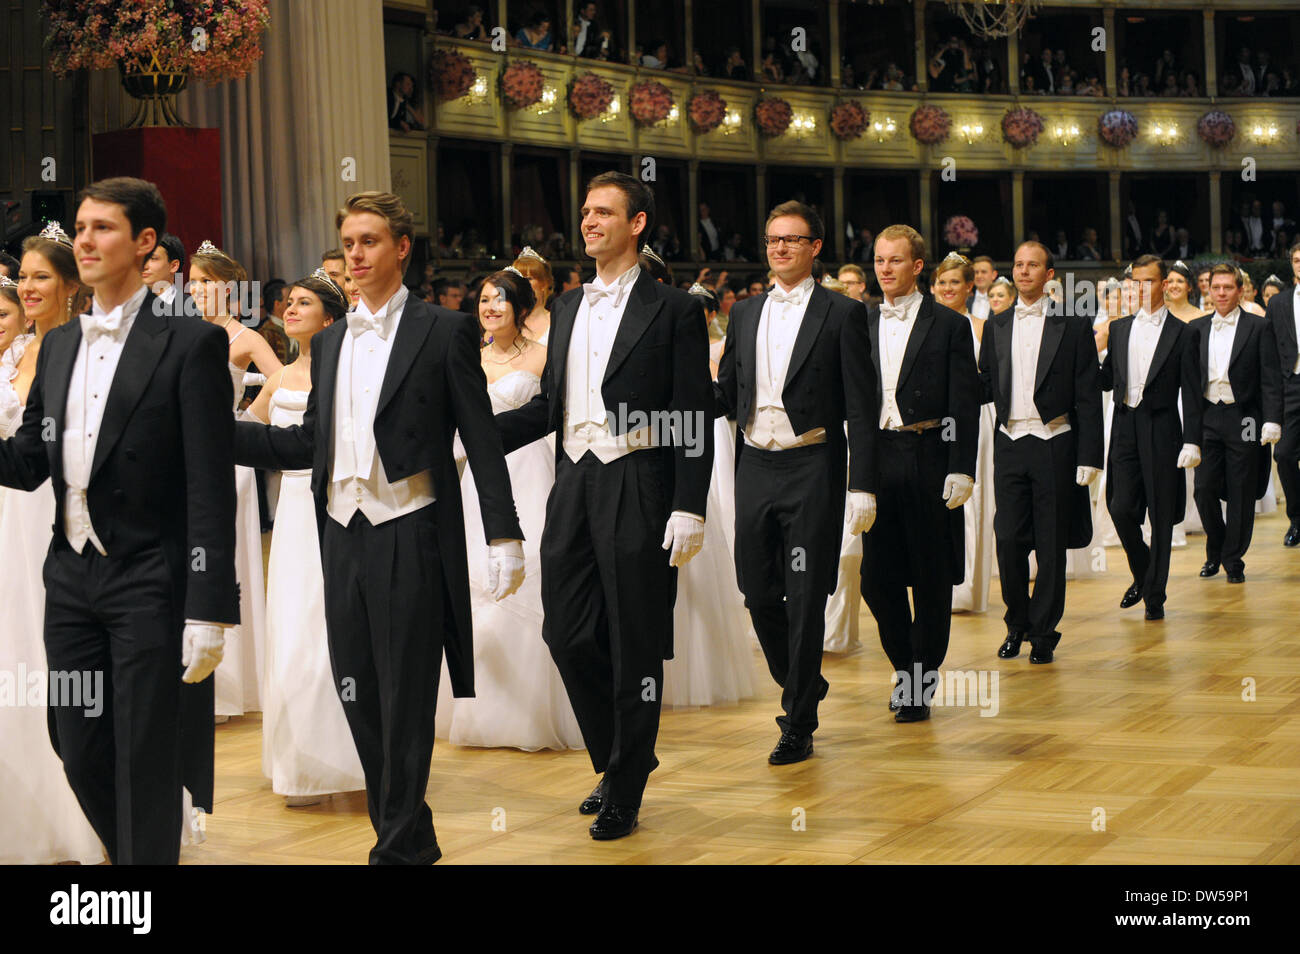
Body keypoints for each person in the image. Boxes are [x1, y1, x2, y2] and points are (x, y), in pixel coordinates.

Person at [235, 191, 525, 864]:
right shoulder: (332, 342)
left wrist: (503, 534)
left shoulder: (444, 329)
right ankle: (411, 836)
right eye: (349, 243)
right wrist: (214, 434)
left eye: (369, 241)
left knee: (405, 694)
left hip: (411, 526)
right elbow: (308, 443)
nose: (356, 255)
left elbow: (481, 440)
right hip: (342, 532)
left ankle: (392, 849)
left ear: (401, 247)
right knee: (357, 689)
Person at [0, 179, 239, 864]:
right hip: (72, 577)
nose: (85, 239)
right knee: (76, 745)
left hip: (148, 578)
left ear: (144, 243)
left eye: (102, 228)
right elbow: (26, 463)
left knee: (144, 754)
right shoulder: (64, 343)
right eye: (79, 227)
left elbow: (208, 487)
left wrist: (209, 608)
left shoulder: (188, 345)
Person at [495, 172, 713, 839]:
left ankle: (624, 786)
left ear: (637, 223)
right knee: (565, 631)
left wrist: (689, 505)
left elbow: (692, 414)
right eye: (585, 212)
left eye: (604, 212)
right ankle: (619, 757)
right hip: (576, 481)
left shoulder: (674, 309)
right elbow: (545, 406)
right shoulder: (563, 307)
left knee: (635, 638)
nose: (588, 222)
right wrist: (471, 433)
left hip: (640, 479)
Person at [715, 200, 876, 754]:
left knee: (807, 594)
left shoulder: (842, 312)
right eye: (772, 239)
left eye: (791, 239)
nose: (779, 248)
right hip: (756, 462)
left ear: (814, 248)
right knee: (756, 590)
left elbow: (862, 404)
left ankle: (797, 721)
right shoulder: (744, 313)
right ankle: (803, 681)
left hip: (813, 464)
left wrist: (862, 482)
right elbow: (725, 391)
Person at [435, 269, 582, 750]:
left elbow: (555, 418)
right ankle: (479, 713)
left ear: (522, 307)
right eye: (483, 299)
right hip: (475, 480)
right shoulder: (465, 358)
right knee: (474, 580)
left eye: (501, 299)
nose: (490, 306)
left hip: (530, 471)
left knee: (534, 578)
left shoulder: (544, 357)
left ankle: (534, 714)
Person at [0, 235, 105, 865]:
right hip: (10, 496)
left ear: (72, 283)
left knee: (43, 646)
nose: (29, 289)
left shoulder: (72, 350)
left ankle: (83, 816)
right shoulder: (18, 351)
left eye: (42, 278)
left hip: (48, 506)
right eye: (24, 280)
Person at [241, 269, 364, 804]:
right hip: (290, 510)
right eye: (288, 302)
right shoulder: (281, 376)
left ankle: (351, 755)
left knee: (327, 624)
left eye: (304, 303)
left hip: (330, 505)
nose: (289, 310)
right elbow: (249, 430)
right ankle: (301, 759)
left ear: (330, 318)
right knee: (292, 623)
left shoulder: (345, 375)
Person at [860, 236, 976, 722]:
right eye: (879, 261)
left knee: (930, 579)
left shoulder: (949, 323)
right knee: (876, 581)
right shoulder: (859, 320)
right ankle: (907, 666)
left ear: (917, 265)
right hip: (877, 455)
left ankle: (918, 682)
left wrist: (961, 466)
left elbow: (964, 400)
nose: (885, 269)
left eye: (895, 260)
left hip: (930, 452)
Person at [980, 242, 1103, 664]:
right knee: (1009, 539)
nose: (1024, 271)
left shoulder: (1072, 325)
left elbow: (1088, 395)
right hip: (1010, 441)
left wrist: (1090, 456)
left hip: (1055, 441)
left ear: (1050, 275)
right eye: (1017, 264)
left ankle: (1044, 632)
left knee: (1050, 543)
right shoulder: (994, 325)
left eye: (1033, 265)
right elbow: (982, 385)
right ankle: (1016, 622)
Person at [189, 240, 282, 718]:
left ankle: (232, 685)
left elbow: (284, 378)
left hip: (228, 457)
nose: (196, 288)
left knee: (231, 563)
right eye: (193, 280)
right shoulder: (180, 332)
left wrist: (248, 418)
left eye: (205, 281)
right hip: (184, 458)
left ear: (228, 288)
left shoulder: (242, 336)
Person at [1098, 256, 1194, 621]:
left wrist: (1193, 440)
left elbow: (1193, 392)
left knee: (1162, 512)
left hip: (1163, 426)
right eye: (1134, 282)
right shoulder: (1119, 328)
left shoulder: (1183, 333)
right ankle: (1145, 572)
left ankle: (1155, 595)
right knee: (1120, 507)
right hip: (1124, 424)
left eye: (1148, 282)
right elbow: (1106, 380)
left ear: (1164, 285)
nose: (1140, 289)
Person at [1181, 264, 1282, 583]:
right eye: (1216, 287)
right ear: (1208, 291)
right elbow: (1188, 384)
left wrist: (1271, 420)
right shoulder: (1195, 329)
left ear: (1240, 291)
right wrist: (1189, 433)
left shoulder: (1258, 326)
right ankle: (1218, 544)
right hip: (1208, 416)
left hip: (1246, 418)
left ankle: (1232, 558)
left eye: (1228, 287)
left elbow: (1270, 376)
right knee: (1204, 489)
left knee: (1241, 490)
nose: (1221, 293)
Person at [932, 253, 996, 617]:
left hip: (973, 419)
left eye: (954, 282)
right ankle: (942, 579)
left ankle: (969, 589)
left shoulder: (983, 327)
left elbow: (988, 379)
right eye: (942, 282)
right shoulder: (927, 322)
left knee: (974, 501)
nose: (947, 288)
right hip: (934, 421)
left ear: (970, 287)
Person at [1265, 242, 1300, 546]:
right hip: (1291, 386)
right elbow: (1269, 351)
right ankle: (1297, 518)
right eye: (1297, 260)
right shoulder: (1279, 304)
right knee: (1285, 455)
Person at [512, 246, 553, 345]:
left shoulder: (557, 322)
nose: (522, 283)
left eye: (529, 279)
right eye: (517, 278)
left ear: (544, 283)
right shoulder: (507, 320)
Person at [140, 232, 187, 313]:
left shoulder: (192, 309)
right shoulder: (126, 307)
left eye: (153, 258)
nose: (144, 266)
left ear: (173, 266)